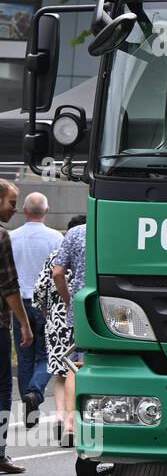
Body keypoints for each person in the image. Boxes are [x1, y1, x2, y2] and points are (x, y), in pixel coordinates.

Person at [10, 192, 63, 428]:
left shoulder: (11, 237)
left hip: (17, 304)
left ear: (24, 210)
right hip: (46, 305)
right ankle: (35, 392)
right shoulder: (55, 238)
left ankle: (30, 410)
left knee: (25, 358)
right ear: (47, 210)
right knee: (47, 354)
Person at [35, 216, 82, 448]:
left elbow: (40, 290)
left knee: (61, 373)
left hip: (56, 321)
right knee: (81, 368)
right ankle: (79, 420)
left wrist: (48, 312)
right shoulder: (91, 250)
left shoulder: (55, 257)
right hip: (85, 316)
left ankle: (63, 419)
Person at [0, 179, 34, 474]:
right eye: (11, 203)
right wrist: (23, 323)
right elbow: (9, 286)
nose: (14, 209)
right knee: (1, 388)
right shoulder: (1, 236)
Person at [52, 215, 87, 449]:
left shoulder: (75, 234)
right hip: (121, 306)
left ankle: (71, 425)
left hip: (82, 307)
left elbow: (57, 272)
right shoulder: (121, 227)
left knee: (76, 366)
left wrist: (68, 301)